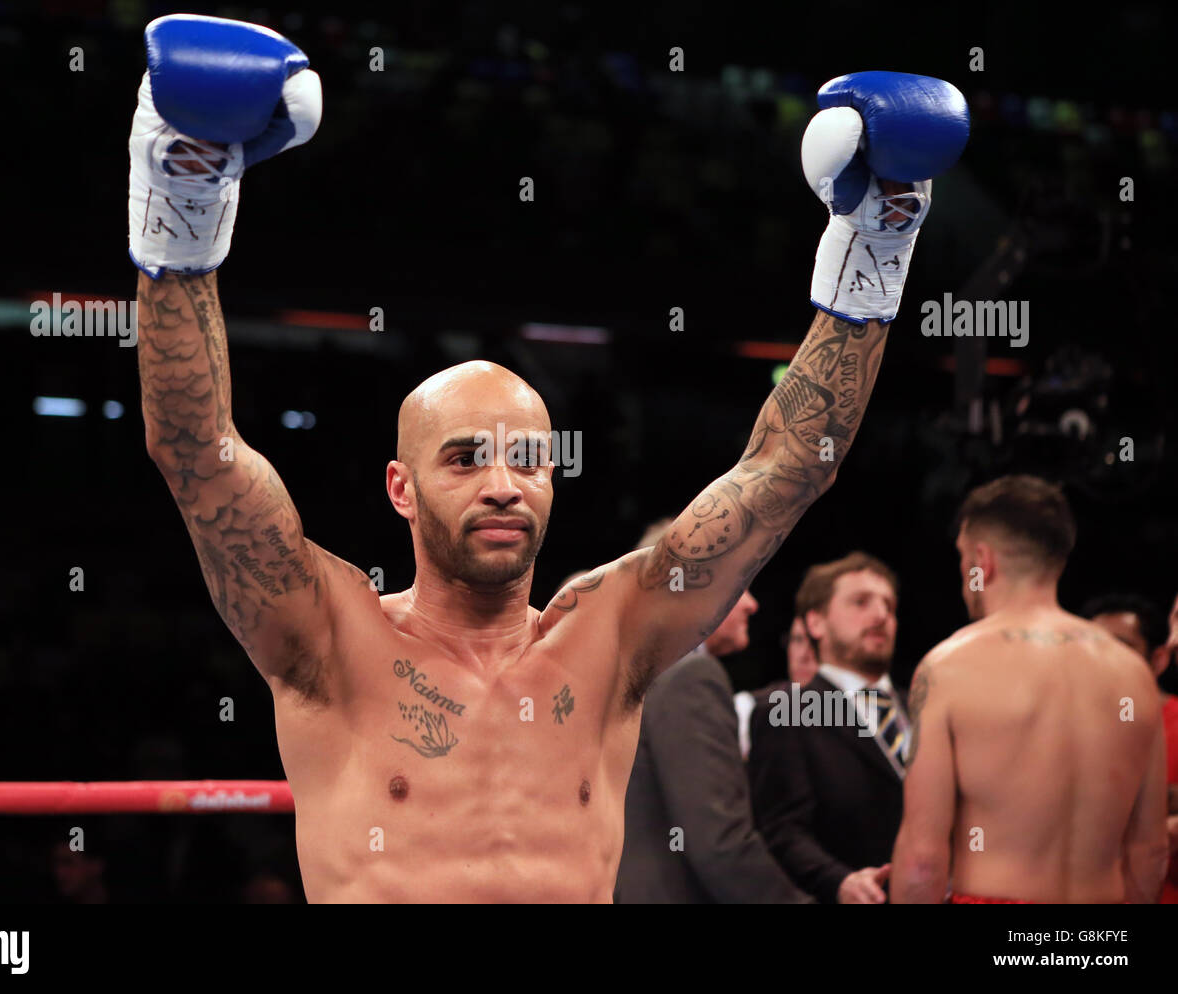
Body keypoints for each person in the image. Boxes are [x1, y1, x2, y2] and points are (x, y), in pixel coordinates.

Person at [129, 16, 963, 901]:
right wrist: (183, 205)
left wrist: (878, 244)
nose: (502, 486)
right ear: (400, 489)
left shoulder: (611, 635)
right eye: (464, 460)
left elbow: (790, 468)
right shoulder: (332, 638)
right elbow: (198, 457)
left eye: (526, 459)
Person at [891, 476, 1169, 903]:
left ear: (982, 562)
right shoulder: (1134, 675)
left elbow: (924, 859)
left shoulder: (948, 669)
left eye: (964, 562)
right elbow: (1150, 851)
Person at [616, 524, 811, 903]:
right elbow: (719, 842)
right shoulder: (689, 676)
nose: (752, 604)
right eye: (741, 581)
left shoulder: (639, 675)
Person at [748, 553, 905, 903]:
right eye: (861, 602)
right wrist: (839, 881)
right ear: (816, 623)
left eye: (889, 606)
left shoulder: (923, 706)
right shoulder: (789, 710)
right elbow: (781, 830)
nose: (881, 615)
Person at [1081, 594, 1178, 902]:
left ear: (1158, 659)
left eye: (1121, 646)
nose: (1103, 659)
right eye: (1092, 646)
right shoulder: (1057, 729)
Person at [735, 613, 821, 759]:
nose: (803, 654)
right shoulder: (748, 707)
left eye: (814, 643)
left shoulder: (860, 706)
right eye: (797, 640)